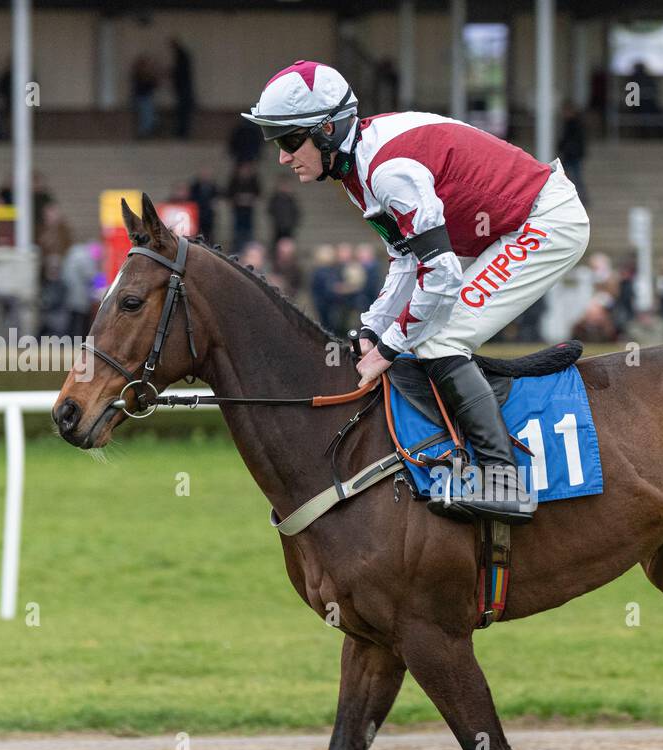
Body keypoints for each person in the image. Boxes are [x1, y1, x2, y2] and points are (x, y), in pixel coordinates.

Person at [241, 59, 590, 523]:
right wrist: (372, 326)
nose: (282, 156)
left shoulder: (386, 171)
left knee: (439, 339)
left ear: (326, 129)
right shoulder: (356, 167)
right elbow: (407, 259)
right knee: (424, 337)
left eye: (288, 140)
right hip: (517, 224)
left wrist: (389, 343)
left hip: (546, 223)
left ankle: (503, 480)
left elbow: (441, 273)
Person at [557, 102, 589, 205]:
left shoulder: (574, 124)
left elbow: (574, 140)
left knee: (575, 177)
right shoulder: (571, 123)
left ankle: (582, 198)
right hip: (570, 154)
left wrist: (565, 148)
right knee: (571, 177)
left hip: (572, 155)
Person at [226, 161, 261, 253]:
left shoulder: (253, 181)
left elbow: (258, 195)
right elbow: (229, 195)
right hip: (238, 211)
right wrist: (239, 199)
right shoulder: (234, 181)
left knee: (248, 232)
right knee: (237, 233)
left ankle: (248, 250)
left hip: (248, 212)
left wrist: (248, 199)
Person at [266, 175, 300, 251]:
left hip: (289, 227)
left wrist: (292, 222)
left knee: (288, 245)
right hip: (278, 227)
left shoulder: (291, 200)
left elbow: (296, 212)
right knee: (277, 245)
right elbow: (270, 210)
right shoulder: (275, 199)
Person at [170, 39, 195, 139]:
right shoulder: (183, 56)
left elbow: (180, 73)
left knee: (183, 112)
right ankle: (182, 132)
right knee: (183, 112)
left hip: (183, 89)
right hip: (184, 89)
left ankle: (182, 132)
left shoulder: (181, 56)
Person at [131, 55, 160, 139]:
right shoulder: (140, 74)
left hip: (146, 97)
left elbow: (153, 84)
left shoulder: (144, 75)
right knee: (146, 117)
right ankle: (143, 134)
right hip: (142, 97)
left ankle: (146, 132)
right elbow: (147, 84)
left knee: (149, 116)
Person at [189, 167, 219, 241]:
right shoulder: (194, 187)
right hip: (198, 214)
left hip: (209, 216)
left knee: (209, 235)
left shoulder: (213, 187)